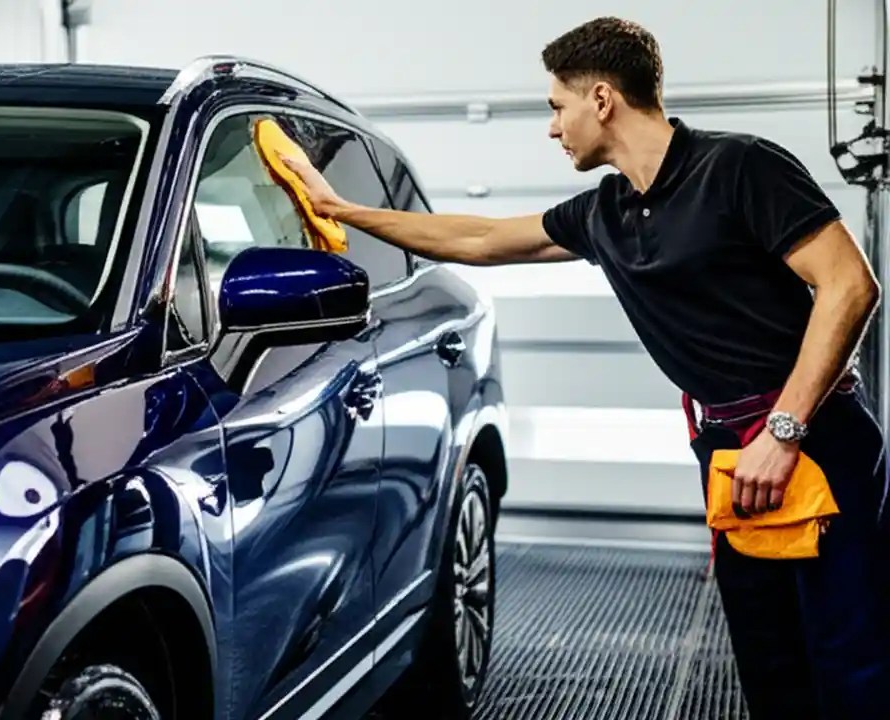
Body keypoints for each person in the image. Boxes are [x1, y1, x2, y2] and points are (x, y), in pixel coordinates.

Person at [280, 14, 890, 720]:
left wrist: (782, 434)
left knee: (853, 665)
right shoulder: (607, 212)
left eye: (556, 106)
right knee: (770, 664)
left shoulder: (740, 167)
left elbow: (850, 284)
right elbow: (477, 237)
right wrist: (341, 209)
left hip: (812, 440)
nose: (551, 127)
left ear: (601, 99)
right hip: (729, 452)